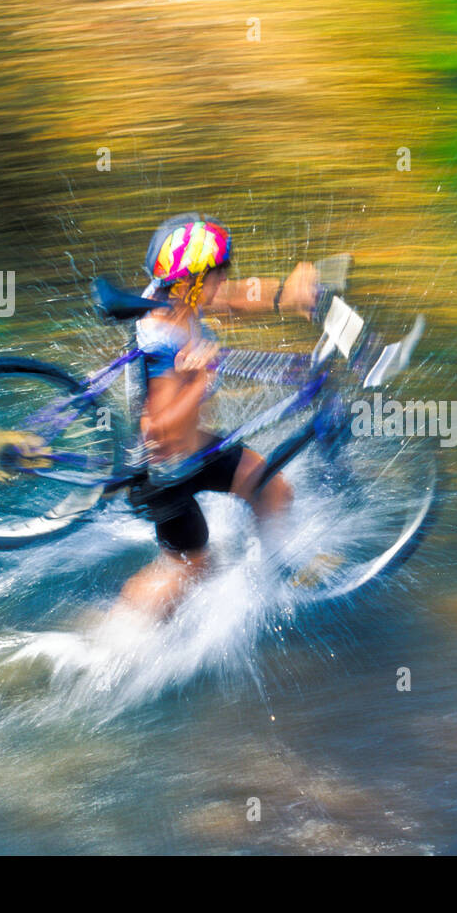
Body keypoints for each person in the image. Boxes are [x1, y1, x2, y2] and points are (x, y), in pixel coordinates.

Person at [115, 213, 318, 622]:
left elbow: (234, 298)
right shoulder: (162, 340)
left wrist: (286, 295)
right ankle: (112, 635)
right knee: (189, 571)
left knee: (273, 491)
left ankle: (276, 579)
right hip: (167, 472)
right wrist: (199, 380)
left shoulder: (172, 295)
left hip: (198, 450)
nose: (224, 282)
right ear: (191, 280)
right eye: (217, 275)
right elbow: (163, 428)